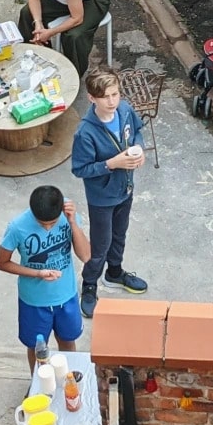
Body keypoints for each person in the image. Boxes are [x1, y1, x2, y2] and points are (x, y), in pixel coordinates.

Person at [68, 67, 150, 318]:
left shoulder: (124, 110)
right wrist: (111, 164)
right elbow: (79, 169)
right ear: (92, 98)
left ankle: (115, 273)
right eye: (106, 97)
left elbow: (137, 130)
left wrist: (140, 148)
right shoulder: (85, 132)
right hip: (102, 198)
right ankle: (90, 283)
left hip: (125, 188)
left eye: (115, 94)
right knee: (100, 245)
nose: (112, 101)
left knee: (120, 234)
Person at [0, 185, 90, 371]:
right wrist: (37, 273)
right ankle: (37, 385)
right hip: (34, 301)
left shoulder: (67, 214)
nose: (47, 227)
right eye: (42, 224)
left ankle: (68, 381)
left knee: (67, 341)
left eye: (52, 223)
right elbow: (2, 263)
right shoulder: (17, 227)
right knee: (36, 347)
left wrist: (72, 222)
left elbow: (86, 255)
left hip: (66, 296)